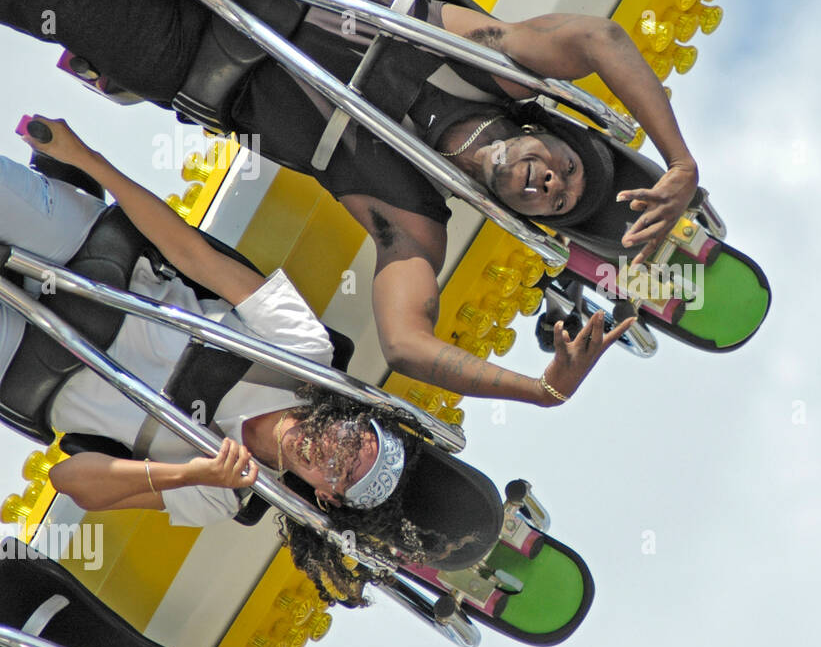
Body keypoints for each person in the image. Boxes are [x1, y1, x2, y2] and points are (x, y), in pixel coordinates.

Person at [0, 0, 691, 407]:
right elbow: (601, 39)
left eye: (555, 200)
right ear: (549, 129)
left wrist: (540, 389)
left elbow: (406, 345)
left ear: (522, 213)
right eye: (566, 165)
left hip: (186, 56)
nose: (550, 180)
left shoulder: (413, 221)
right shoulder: (497, 64)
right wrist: (678, 162)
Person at [0, 117, 528, 606]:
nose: (329, 450)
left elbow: (72, 480)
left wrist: (190, 473)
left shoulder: (220, 497)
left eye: (340, 471)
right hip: (84, 255)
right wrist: (86, 158)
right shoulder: (306, 355)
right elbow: (190, 252)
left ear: (327, 497)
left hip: (20, 362)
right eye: (350, 439)